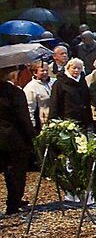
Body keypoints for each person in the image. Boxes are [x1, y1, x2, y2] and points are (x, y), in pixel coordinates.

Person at [1, 64, 36, 215]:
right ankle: (13, 203)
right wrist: (33, 137)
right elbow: (24, 118)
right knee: (16, 172)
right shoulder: (14, 92)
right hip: (14, 139)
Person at [49, 58, 93, 128]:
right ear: (68, 68)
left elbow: (86, 100)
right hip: (67, 120)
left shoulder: (82, 81)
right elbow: (55, 102)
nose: (76, 70)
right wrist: (54, 121)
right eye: (74, 68)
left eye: (79, 68)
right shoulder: (59, 83)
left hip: (83, 120)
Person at [23, 61, 52, 132]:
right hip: (41, 121)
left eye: (46, 70)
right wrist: (32, 126)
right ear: (35, 73)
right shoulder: (30, 87)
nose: (45, 72)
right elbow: (30, 108)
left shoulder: (53, 82)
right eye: (42, 71)